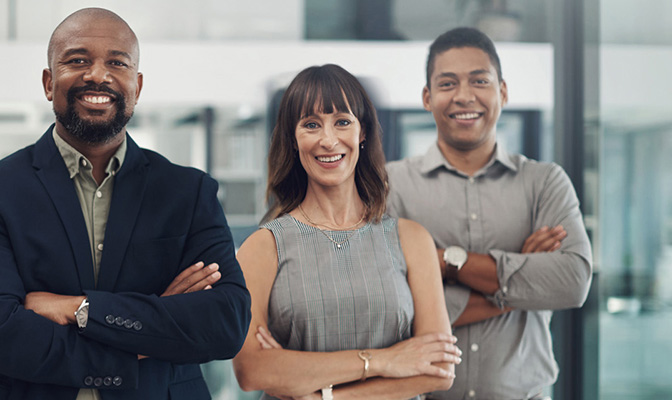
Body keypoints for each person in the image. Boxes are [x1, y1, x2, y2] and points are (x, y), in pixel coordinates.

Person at [0, 8, 251, 400]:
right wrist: (150, 331)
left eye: (116, 62)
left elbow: (224, 323)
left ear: (137, 86)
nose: (97, 74)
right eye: (77, 60)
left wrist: (79, 309)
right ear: (48, 81)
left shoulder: (188, 192)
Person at [385, 27, 592, 399]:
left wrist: (444, 264)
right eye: (447, 84)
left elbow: (572, 282)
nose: (464, 96)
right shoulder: (389, 185)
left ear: (503, 91)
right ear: (427, 98)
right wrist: (521, 283)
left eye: (479, 80)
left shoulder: (545, 182)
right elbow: (391, 308)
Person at [232, 64, 461, 400]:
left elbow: (438, 369)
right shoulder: (263, 247)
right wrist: (387, 361)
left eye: (342, 121)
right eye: (311, 124)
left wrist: (322, 393)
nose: (328, 140)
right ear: (293, 140)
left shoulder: (411, 239)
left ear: (362, 132)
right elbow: (253, 370)